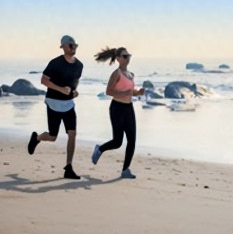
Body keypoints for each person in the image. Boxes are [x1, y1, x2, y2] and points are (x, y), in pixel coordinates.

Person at [27, 35, 84, 180]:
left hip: (69, 104)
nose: (73, 48)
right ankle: (37, 138)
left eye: (75, 45)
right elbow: (44, 80)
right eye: (70, 45)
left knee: (72, 133)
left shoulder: (79, 65)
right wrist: (60, 89)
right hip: (53, 103)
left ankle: (68, 167)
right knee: (52, 137)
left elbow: (75, 81)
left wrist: (74, 91)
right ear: (63, 47)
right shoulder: (55, 63)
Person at [92, 47, 145, 179]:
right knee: (117, 141)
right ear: (118, 59)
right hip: (117, 108)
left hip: (129, 108)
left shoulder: (131, 75)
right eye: (125, 56)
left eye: (129, 55)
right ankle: (100, 149)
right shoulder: (116, 73)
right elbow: (108, 91)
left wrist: (138, 92)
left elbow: (130, 91)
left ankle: (125, 170)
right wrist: (125, 93)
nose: (127, 58)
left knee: (132, 140)